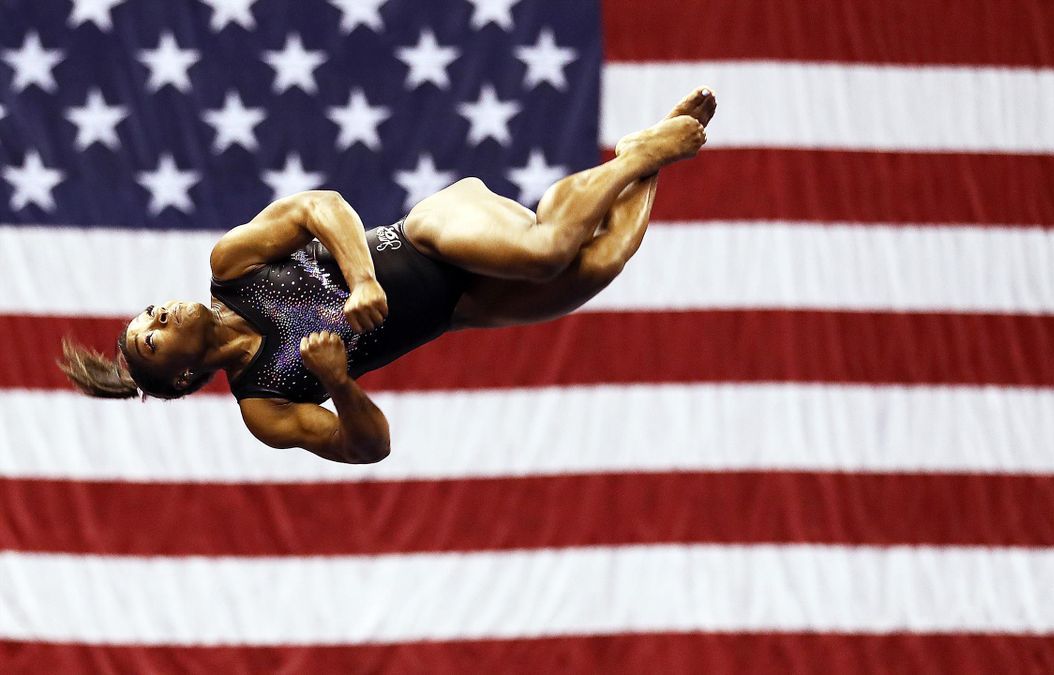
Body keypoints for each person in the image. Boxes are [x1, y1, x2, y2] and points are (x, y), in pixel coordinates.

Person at [60, 87, 717, 464]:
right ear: (180, 375)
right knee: (601, 263)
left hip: (431, 231)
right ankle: (645, 161)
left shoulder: (232, 268)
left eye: (148, 311)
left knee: (548, 249)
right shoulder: (263, 403)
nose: (159, 317)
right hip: (462, 305)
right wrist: (338, 381)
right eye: (151, 338)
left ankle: (642, 151)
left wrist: (363, 278)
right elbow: (368, 447)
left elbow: (323, 205)